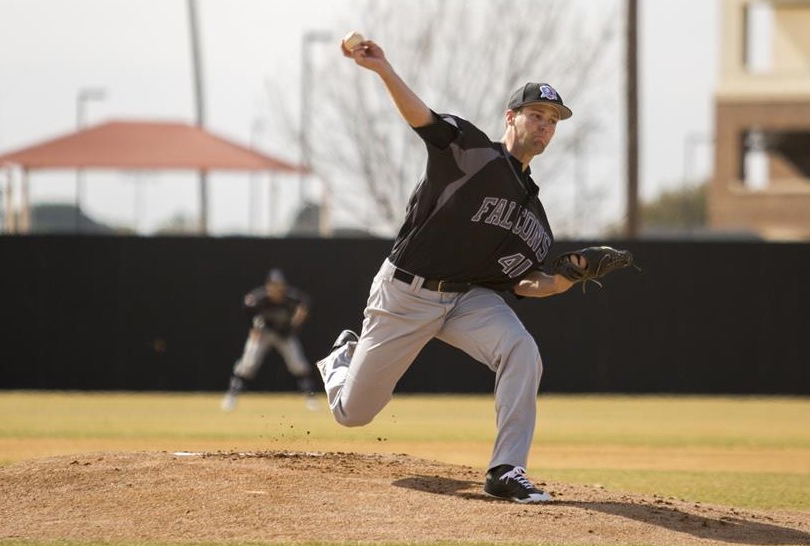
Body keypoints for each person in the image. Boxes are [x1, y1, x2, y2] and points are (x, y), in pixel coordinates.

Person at [316, 37, 598, 504]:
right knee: (353, 414)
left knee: (521, 350)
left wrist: (569, 277)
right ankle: (342, 358)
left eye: (552, 122)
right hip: (406, 293)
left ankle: (506, 470)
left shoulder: (535, 217)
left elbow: (523, 283)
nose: (544, 127)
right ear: (511, 118)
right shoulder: (471, 152)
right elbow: (420, 117)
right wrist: (384, 69)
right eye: (535, 115)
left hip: (466, 298)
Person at [221, 269, 318, 412]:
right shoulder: (259, 298)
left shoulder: (290, 297)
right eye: (273, 286)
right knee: (247, 364)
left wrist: (297, 319)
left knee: (298, 364)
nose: (276, 289)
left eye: (279, 286)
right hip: (264, 334)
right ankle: (231, 397)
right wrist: (252, 328)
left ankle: (311, 399)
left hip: (284, 334)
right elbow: (247, 307)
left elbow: (305, 303)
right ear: (268, 286)